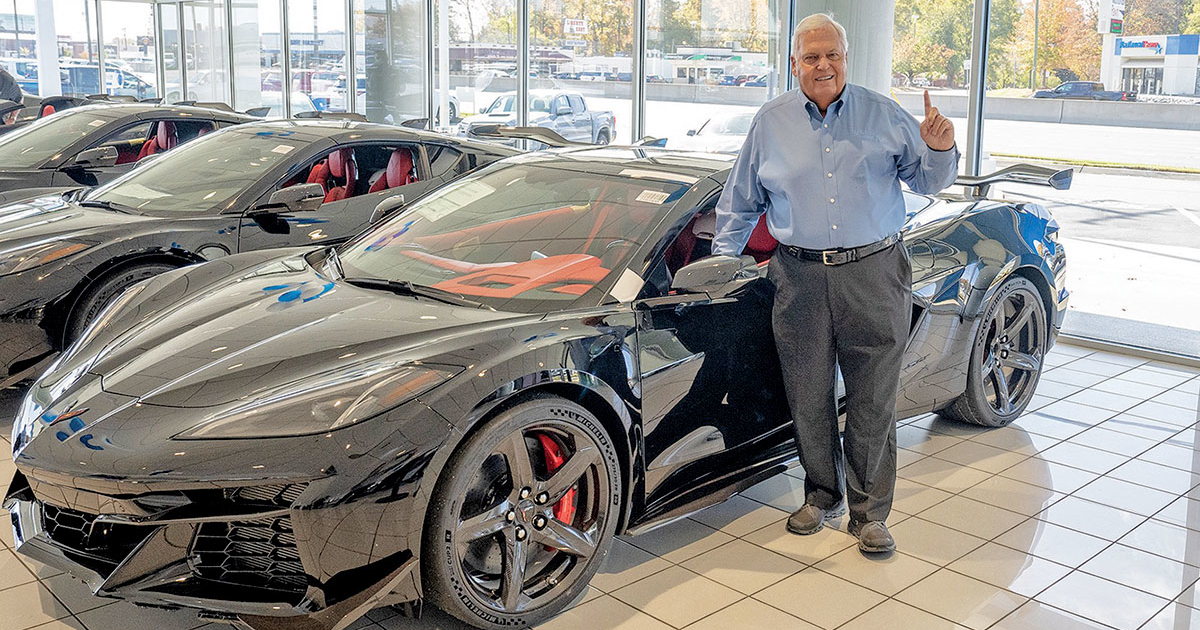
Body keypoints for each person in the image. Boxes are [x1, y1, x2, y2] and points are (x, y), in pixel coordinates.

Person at [712, 13, 958, 553]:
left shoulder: (883, 113)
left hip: (874, 270)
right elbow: (739, 201)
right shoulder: (770, 122)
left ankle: (869, 513)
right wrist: (720, 263)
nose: (823, 65)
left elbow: (928, 181)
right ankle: (822, 493)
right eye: (812, 57)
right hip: (797, 274)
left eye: (833, 55)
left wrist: (940, 150)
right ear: (794, 63)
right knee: (807, 391)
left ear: (846, 58)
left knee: (873, 395)